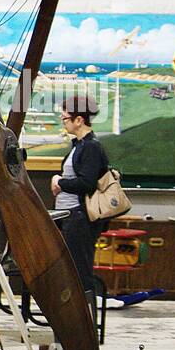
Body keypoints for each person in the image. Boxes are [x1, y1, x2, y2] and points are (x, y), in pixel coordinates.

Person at [49, 95, 110, 297]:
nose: (63, 122)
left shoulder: (91, 147)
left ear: (79, 120)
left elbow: (87, 183)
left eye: (65, 118)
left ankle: (85, 322)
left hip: (80, 217)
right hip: (69, 215)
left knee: (81, 273)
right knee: (71, 270)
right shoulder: (79, 145)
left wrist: (60, 182)